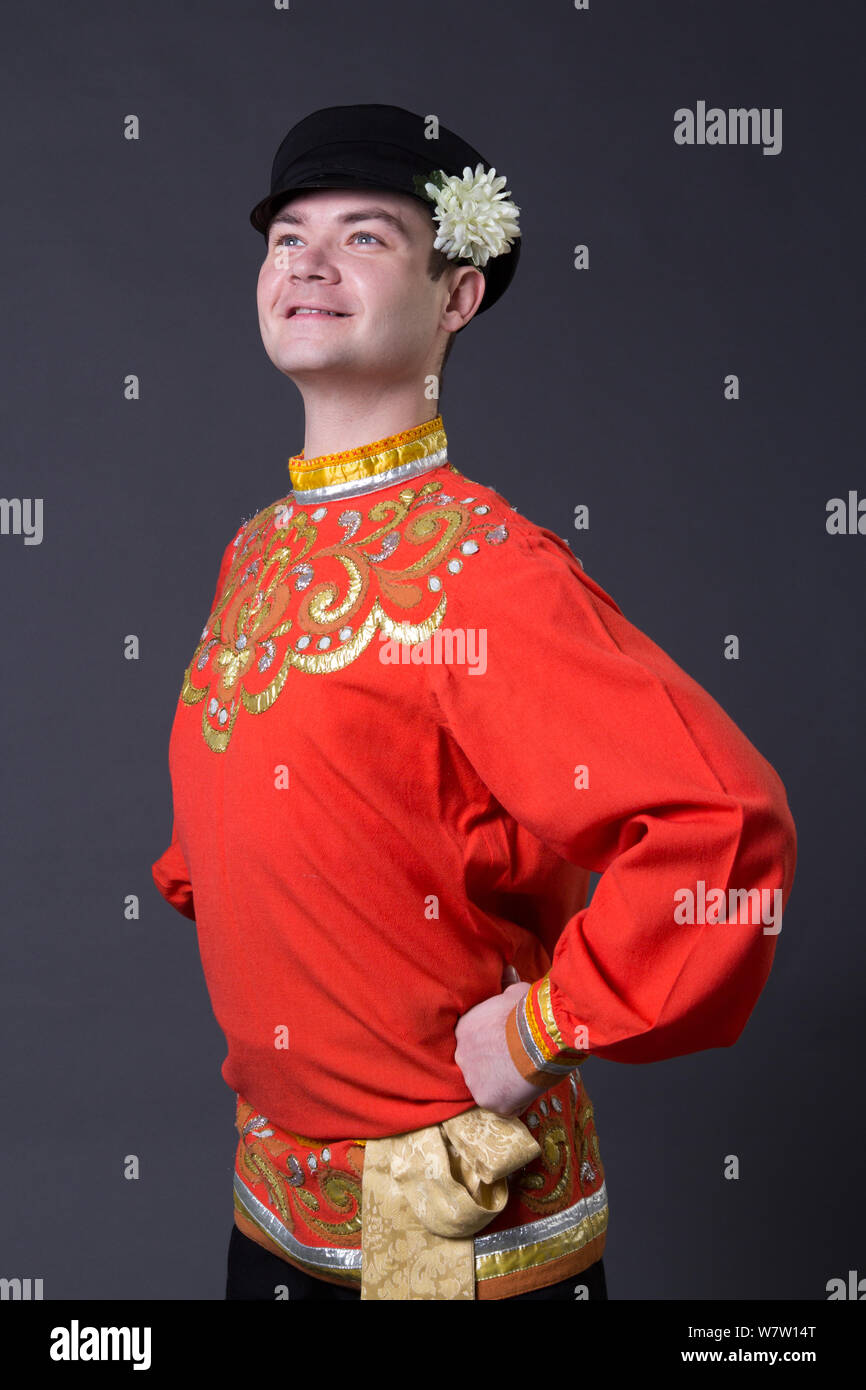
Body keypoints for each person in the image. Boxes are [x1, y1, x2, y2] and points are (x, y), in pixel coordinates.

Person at [152, 103, 797, 1301]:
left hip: (441, 1223)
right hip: (274, 1201)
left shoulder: (483, 567)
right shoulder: (259, 546)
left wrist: (543, 1027)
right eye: (287, 237)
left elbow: (725, 822)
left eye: (364, 237)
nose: (308, 262)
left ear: (456, 296)